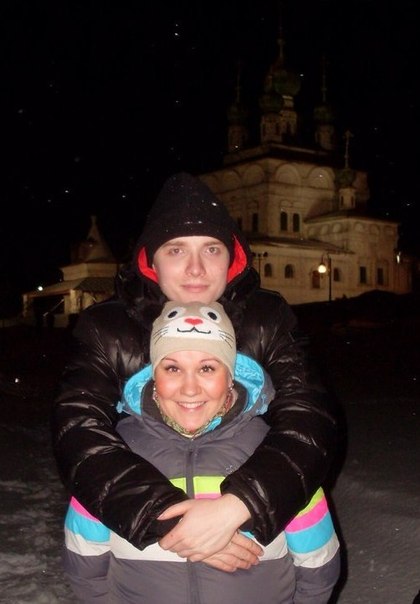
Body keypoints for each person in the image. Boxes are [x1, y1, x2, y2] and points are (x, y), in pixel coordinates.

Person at [52, 171, 338, 570]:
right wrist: (174, 522)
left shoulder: (266, 320)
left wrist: (240, 505)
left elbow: (308, 419)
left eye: (211, 249)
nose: (196, 268)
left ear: (233, 258)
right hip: (145, 564)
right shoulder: (109, 329)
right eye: (176, 250)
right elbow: (77, 429)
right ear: (149, 260)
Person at [63, 301, 340, 604]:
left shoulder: (275, 451)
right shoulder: (115, 452)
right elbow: (85, 562)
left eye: (207, 368)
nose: (190, 389)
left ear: (230, 376)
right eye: (173, 368)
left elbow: (318, 564)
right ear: (154, 377)